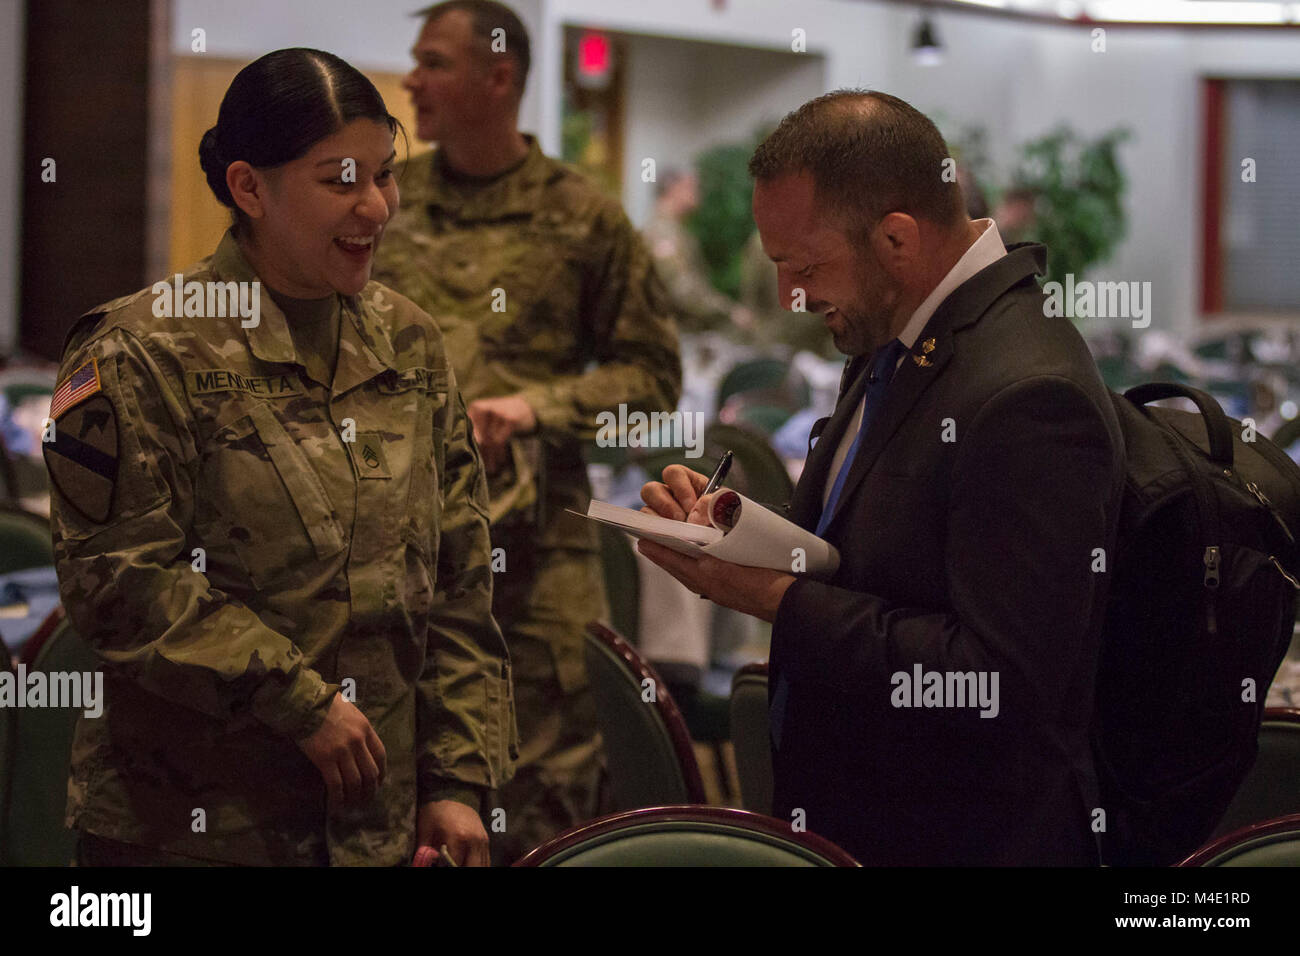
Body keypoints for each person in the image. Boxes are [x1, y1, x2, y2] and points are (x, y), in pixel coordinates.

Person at [42, 48, 515, 867]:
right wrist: (298, 702)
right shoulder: (143, 349)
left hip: (375, 829)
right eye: (340, 181)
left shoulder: (408, 341)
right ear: (249, 188)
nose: (376, 207)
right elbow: (118, 578)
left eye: (386, 175)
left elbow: (460, 583)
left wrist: (456, 779)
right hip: (191, 829)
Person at [638, 90, 1125, 866]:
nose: (788, 296)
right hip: (855, 817)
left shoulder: (1031, 390)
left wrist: (775, 600)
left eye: (804, 265)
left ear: (897, 237)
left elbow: (997, 683)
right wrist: (732, 531)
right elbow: (862, 554)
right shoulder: (896, 331)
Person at [372, 1, 681, 863]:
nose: (411, 80)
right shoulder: (384, 206)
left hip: (536, 561)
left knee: (544, 810)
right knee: (401, 804)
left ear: (498, 76)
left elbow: (654, 376)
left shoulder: (584, 218)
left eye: (433, 62)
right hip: (395, 553)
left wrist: (536, 408)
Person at [643, 169, 753, 336]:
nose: (697, 193)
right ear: (673, 189)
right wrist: (728, 311)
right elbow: (681, 288)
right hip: (672, 334)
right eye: (690, 187)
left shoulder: (675, 231)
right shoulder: (662, 233)